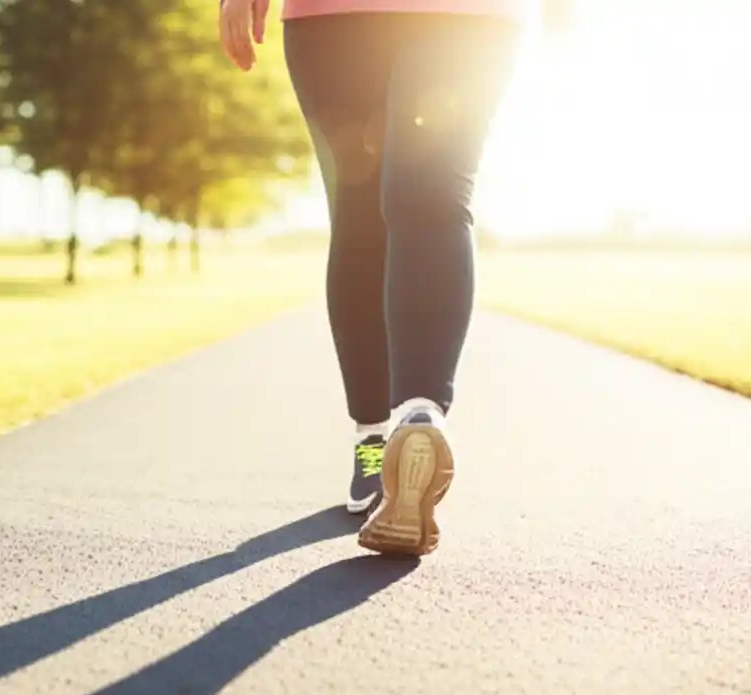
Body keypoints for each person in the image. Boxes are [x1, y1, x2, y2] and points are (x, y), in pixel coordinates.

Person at [219, 0, 531, 555]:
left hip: (339, 18)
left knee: (361, 217)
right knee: (427, 199)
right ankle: (419, 415)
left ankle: (376, 444)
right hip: (455, 18)